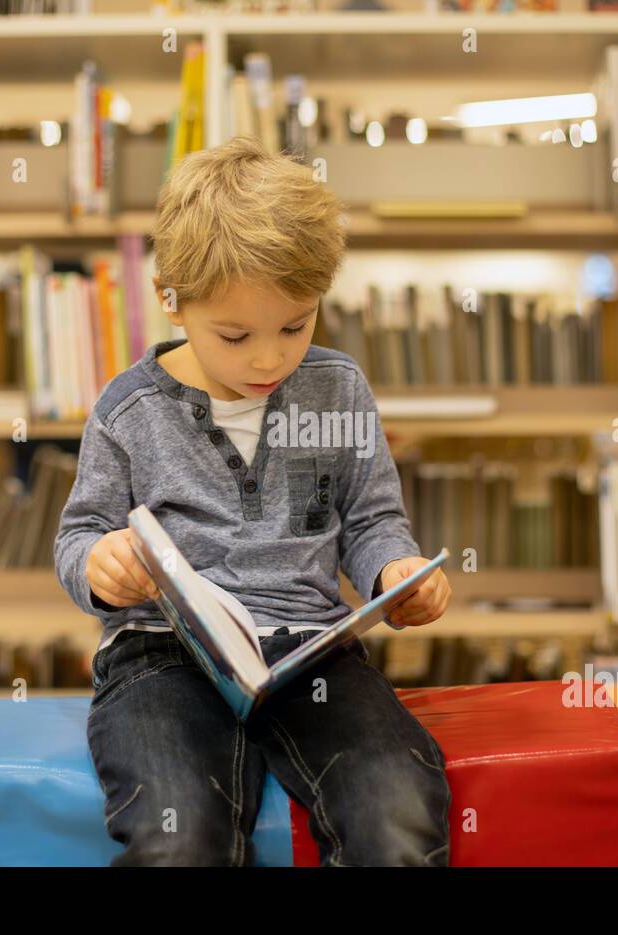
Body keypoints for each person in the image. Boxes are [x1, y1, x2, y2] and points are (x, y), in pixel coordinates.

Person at [54, 136, 452, 866]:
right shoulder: (128, 408)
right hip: (162, 656)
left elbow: (370, 520)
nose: (269, 359)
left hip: (311, 653)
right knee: (177, 836)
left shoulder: (340, 389)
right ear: (171, 299)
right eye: (234, 335)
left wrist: (394, 573)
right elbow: (79, 535)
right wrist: (101, 565)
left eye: (296, 326)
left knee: (398, 812)